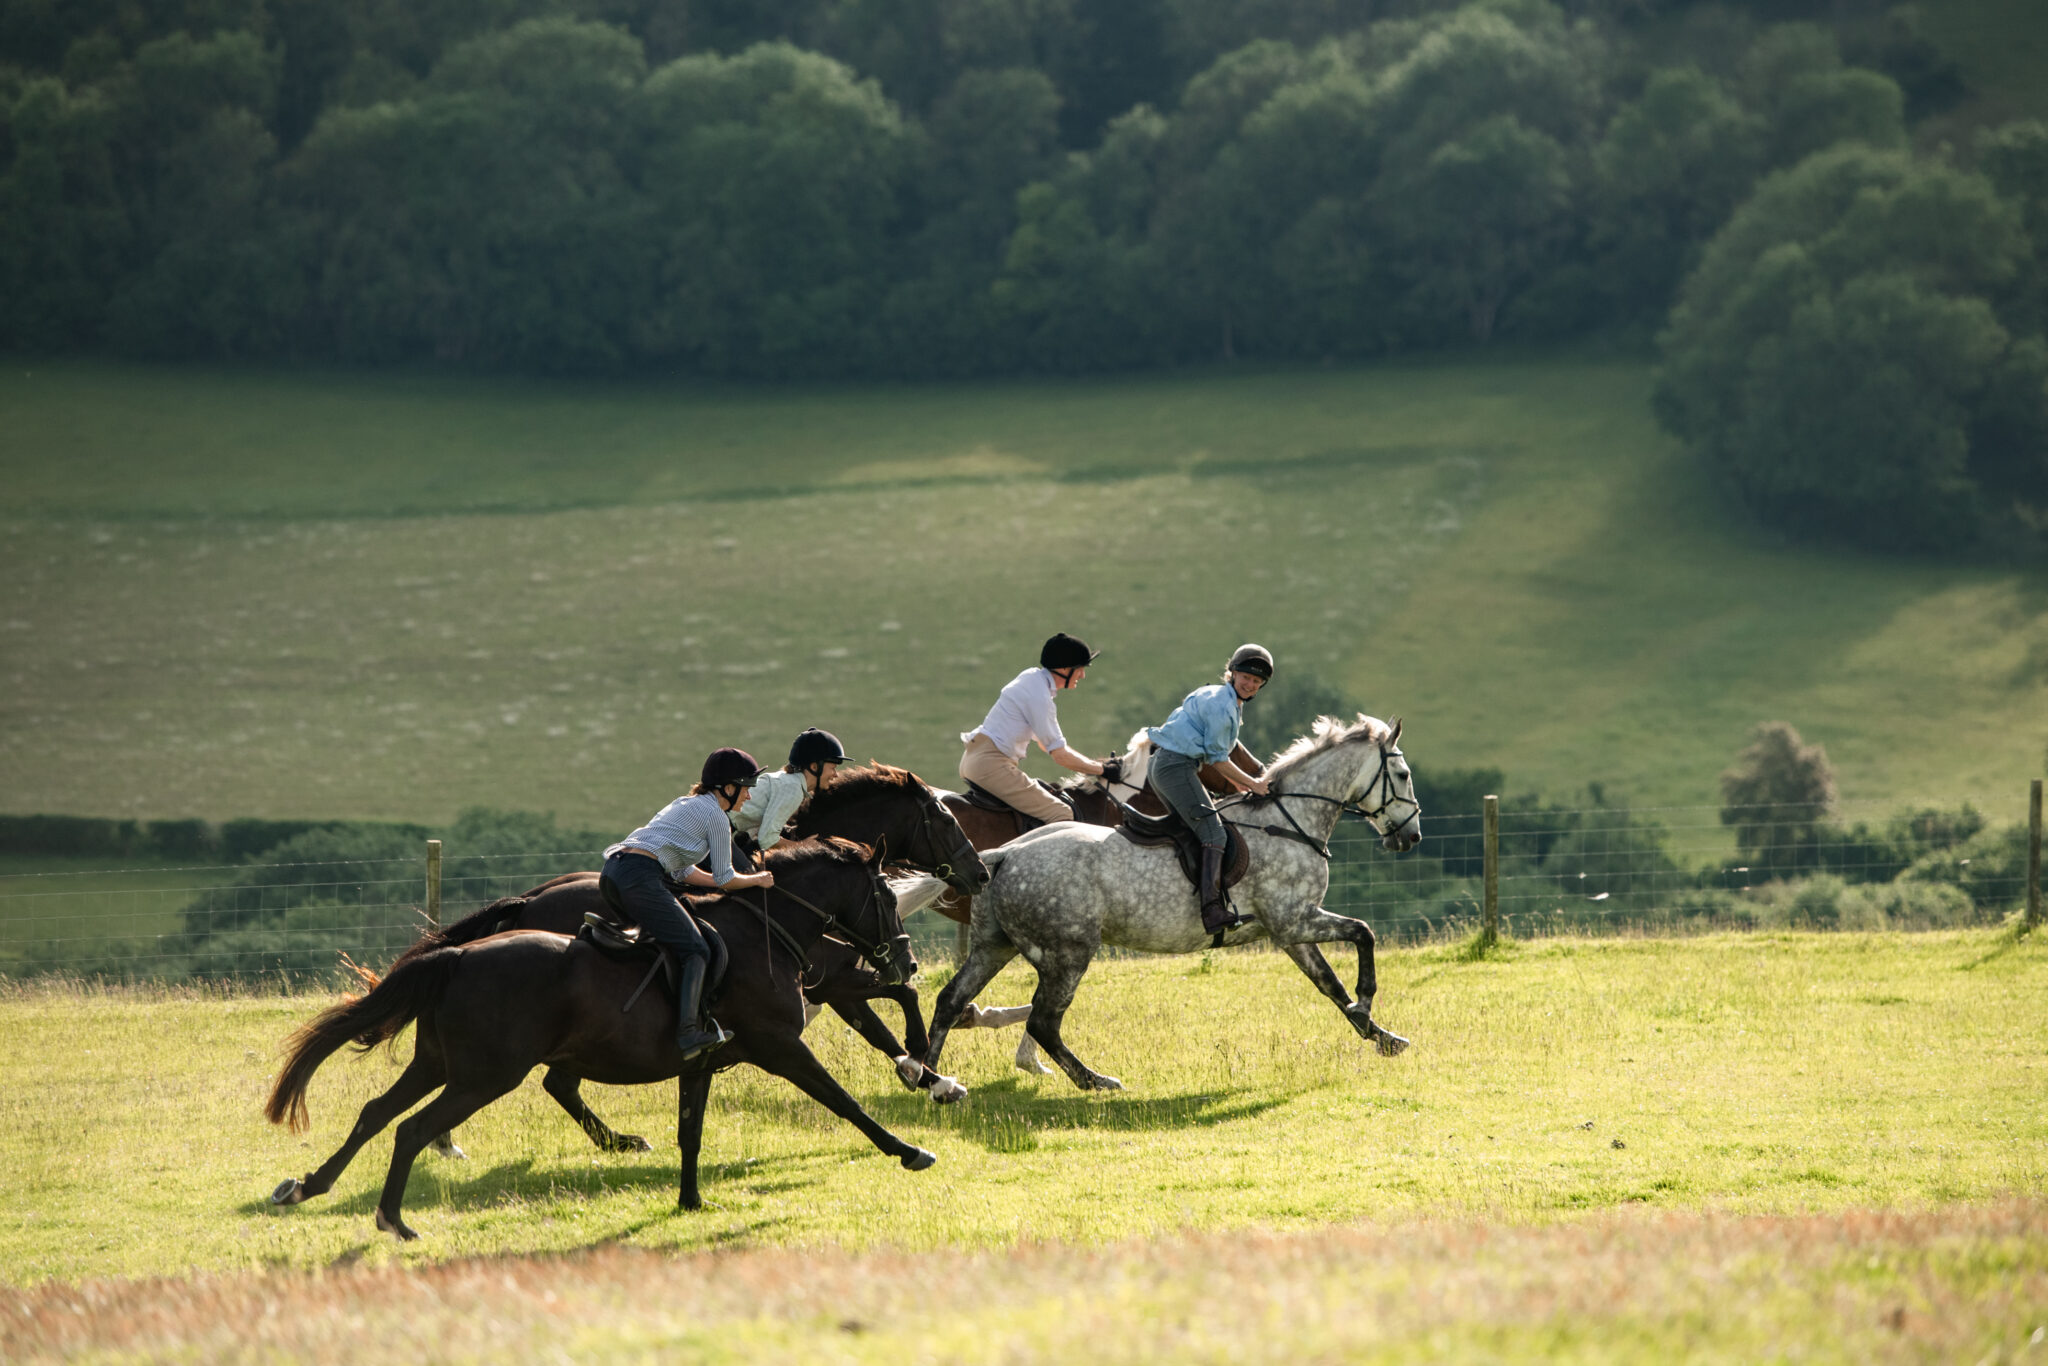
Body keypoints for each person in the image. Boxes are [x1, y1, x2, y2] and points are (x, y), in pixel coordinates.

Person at [600, 747, 775, 1060]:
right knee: (697, 949)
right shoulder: (716, 817)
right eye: (746, 788)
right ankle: (688, 1033)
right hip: (639, 877)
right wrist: (756, 880)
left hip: (614, 873)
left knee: (665, 945)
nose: (749, 796)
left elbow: (685, 872)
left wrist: (723, 885)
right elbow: (726, 877)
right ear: (728, 787)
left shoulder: (687, 804)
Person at [1147, 644, 1275, 935]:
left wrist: (1241, 781)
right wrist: (1254, 783)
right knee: (1214, 833)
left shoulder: (1215, 694)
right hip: (1176, 768)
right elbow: (1218, 759)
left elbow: (1214, 753)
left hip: (1163, 765)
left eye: (1257, 681)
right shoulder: (1223, 706)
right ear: (1232, 673)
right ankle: (1212, 911)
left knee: (1195, 830)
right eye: (1246, 677)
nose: (1250, 684)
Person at [960, 633, 1118, 826]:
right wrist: (1102, 769)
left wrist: (1094, 767)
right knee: (1062, 814)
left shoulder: (1031, 678)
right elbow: (1060, 755)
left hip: (975, 760)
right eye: (1080, 668)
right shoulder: (1040, 697)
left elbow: (1046, 745)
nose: (1082, 675)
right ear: (1064, 668)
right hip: (991, 766)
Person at [729, 727, 850, 860]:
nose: (835, 774)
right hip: (720, 824)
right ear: (814, 767)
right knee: (746, 871)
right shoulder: (793, 789)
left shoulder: (790, 782)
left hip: (725, 824)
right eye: (833, 768)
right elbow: (767, 840)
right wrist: (803, 845)